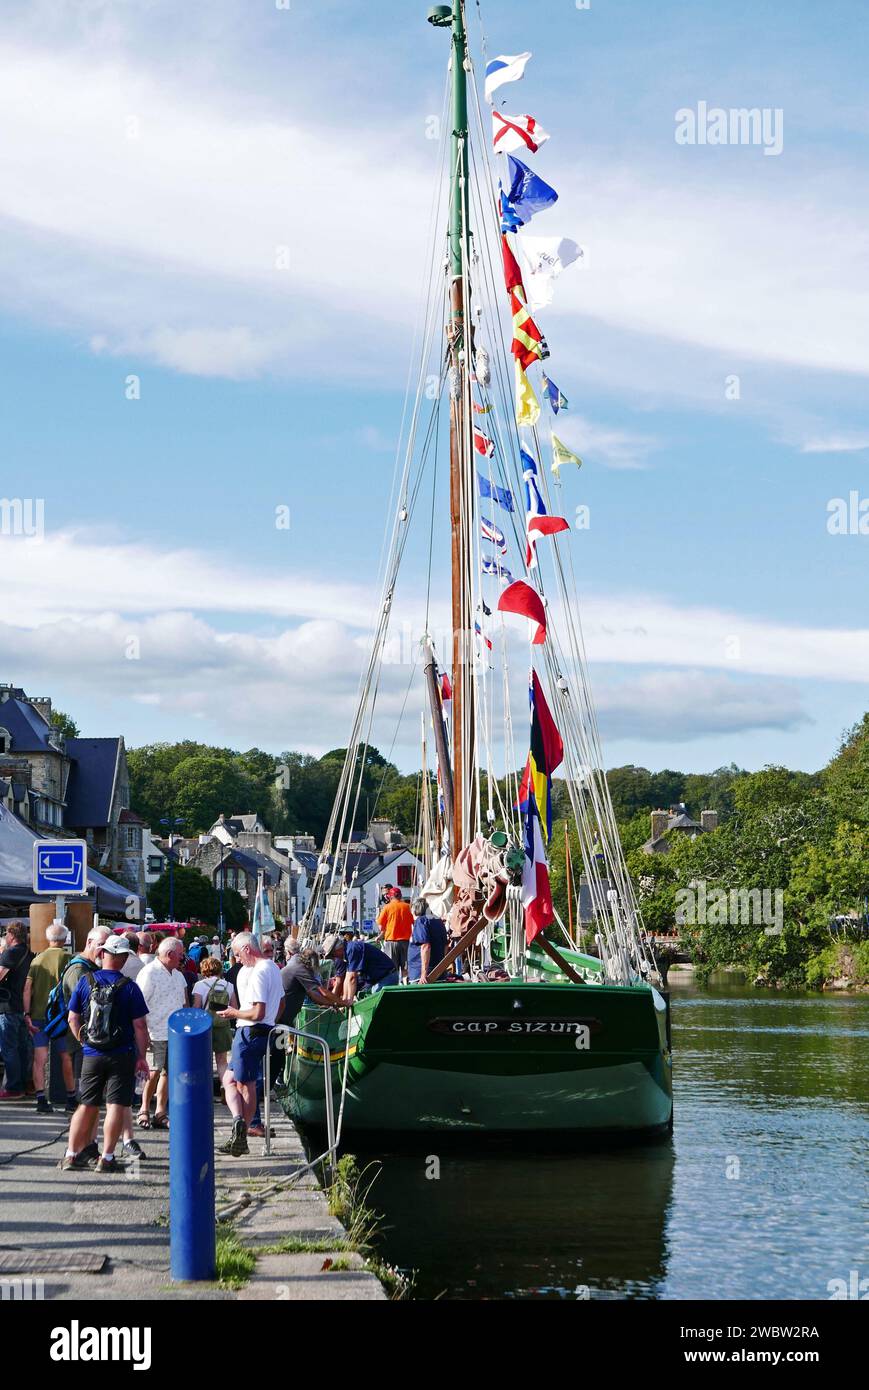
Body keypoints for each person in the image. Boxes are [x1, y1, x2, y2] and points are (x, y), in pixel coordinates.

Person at [64, 936, 150, 1173]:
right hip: (121, 1054)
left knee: (86, 1105)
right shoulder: (130, 987)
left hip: (91, 1053)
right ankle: (107, 1157)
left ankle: (71, 1154)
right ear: (122, 958)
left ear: (102, 954)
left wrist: (84, 1041)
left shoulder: (85, 981)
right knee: (115, 1105)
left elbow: (72, 1018)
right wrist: (141, 1057)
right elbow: (140, 1026)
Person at [216, 932, 284, 1157]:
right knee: (229, 1079)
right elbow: (281, 1004)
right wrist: (271, 1021)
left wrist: (233, 1012)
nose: (237, 960)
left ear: (247, 949)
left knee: (246, 1084)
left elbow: (257, 1011)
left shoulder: (258, 972)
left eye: (237, 954)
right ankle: (238, 1123)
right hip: (263, 1031)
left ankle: (241, 1134)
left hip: (249, 1032)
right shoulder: (273, 967)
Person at [136, 937, 187, 1129]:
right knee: (153, 1071)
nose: (182, 959)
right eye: (180, 955)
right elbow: (139, 1004)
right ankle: (143, 1109)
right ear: (169, 954)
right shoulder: (149, 973)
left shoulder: (178, 975)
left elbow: (184, 1003)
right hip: (155, 1030)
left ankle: (160, 1111)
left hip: (174, 1032)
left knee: (168, 1072)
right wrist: (143, 1032)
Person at [24, 923, 75, 1112]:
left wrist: (27, 1013)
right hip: (61, 1017)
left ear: (48, 938)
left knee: (40, 1058)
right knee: (66, 1057)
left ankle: (40, 1100)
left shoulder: (37, 961)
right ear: (65, 939)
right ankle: (71, 1098)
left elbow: (27, 988)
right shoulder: (69, 959)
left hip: (38, 1015)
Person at [192, 956, 237, 1086]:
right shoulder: (229, 985)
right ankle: (225, 1088)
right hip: (223, 1027)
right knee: (222, 1061)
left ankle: (206, 1091)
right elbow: (235, 1009)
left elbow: (196, 1009)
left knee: (205, 1060)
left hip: (204, 1028)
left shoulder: (199, 985)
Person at [0, 922, 32, 1101]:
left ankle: (13, 1087)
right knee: (21, 1049)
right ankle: (24, 1084)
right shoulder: (28, 952)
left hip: (8, 1006)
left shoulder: (10, 952)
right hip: (21, 1006)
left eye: (6, 933)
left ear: (11, 935)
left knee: (9, 1049)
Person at [280, 942, 345, 1028]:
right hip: (281, 1017)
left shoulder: (296, 964)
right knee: (278, 1039)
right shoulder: (300, 968)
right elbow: (319, 993)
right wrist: (337, 1003)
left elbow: (316, 994)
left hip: (284, 1015)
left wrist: (330, 1003)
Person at [322, 933, 398, 1004]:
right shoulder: (348, 951)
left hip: (387, 977)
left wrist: (349, 1001)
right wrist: (345, 999)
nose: (334, 958)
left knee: (373, 1004)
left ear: (337, 949)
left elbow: (352, 978)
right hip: (377, 980)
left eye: (332, 955)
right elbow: (347, 979)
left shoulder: (352, 949)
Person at [408, 897, 449, 985]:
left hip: (421, 975)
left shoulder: (421, 921)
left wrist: (423, 973)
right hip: (439, 973)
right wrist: (442, 968)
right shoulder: (438, 920)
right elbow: (445, 945)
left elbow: (425, 946)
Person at [376, 891, 414, 983]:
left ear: (390, 897)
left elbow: (381, 926)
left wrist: (380, 935)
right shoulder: (407, 907)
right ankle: (405, 986)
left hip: (391, 941)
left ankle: (395, 987)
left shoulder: (387, 907)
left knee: (393, 969)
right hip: (405, 941)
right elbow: (413, 922)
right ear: (400, 896)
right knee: (405, 968)